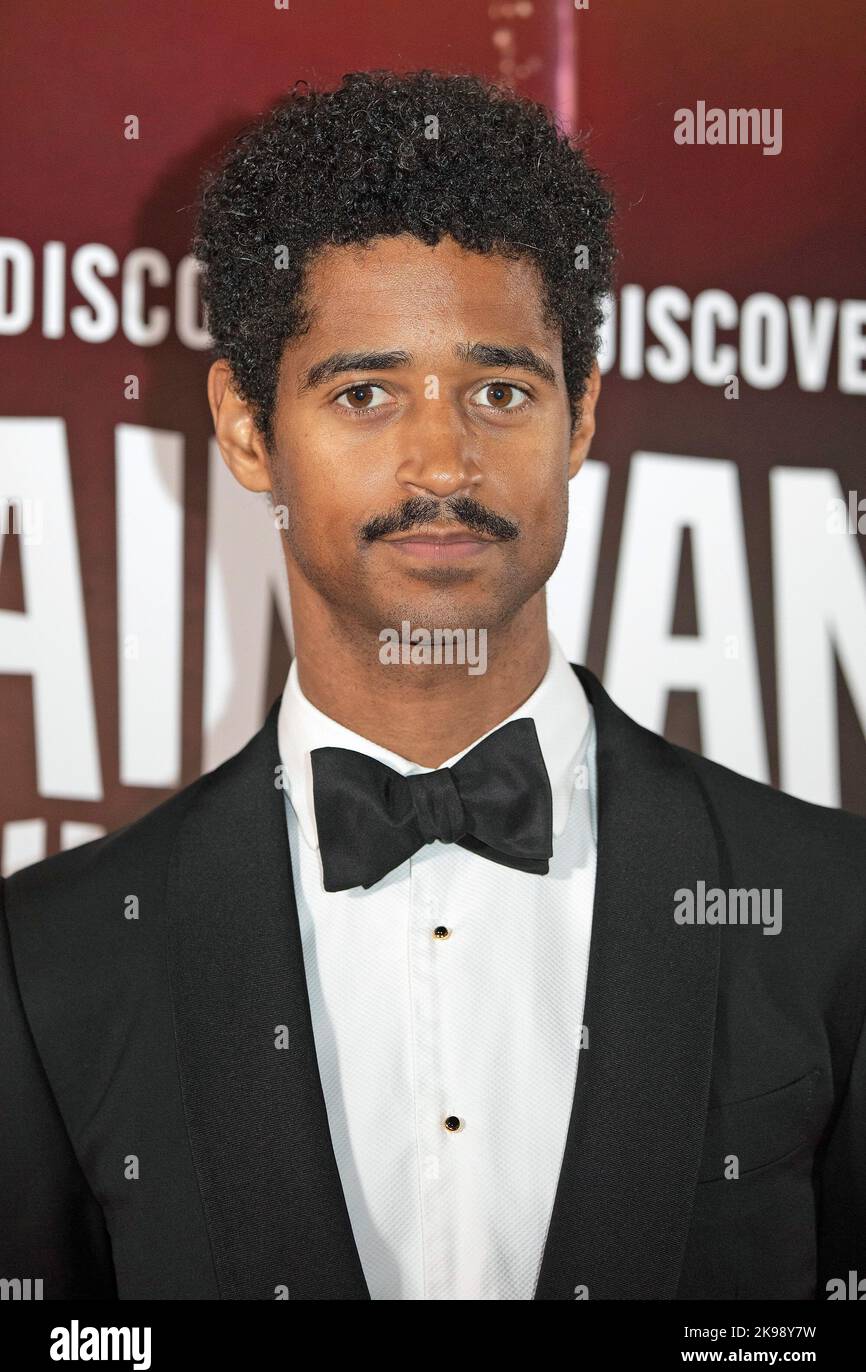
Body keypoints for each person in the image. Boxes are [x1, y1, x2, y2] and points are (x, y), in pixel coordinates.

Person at [1, 70, 864, 1302]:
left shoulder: (833, 915)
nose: (442, 458)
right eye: (364, 392)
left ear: (577, 425)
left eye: (499, 391)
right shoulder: (53, 960)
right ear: (250, 432)